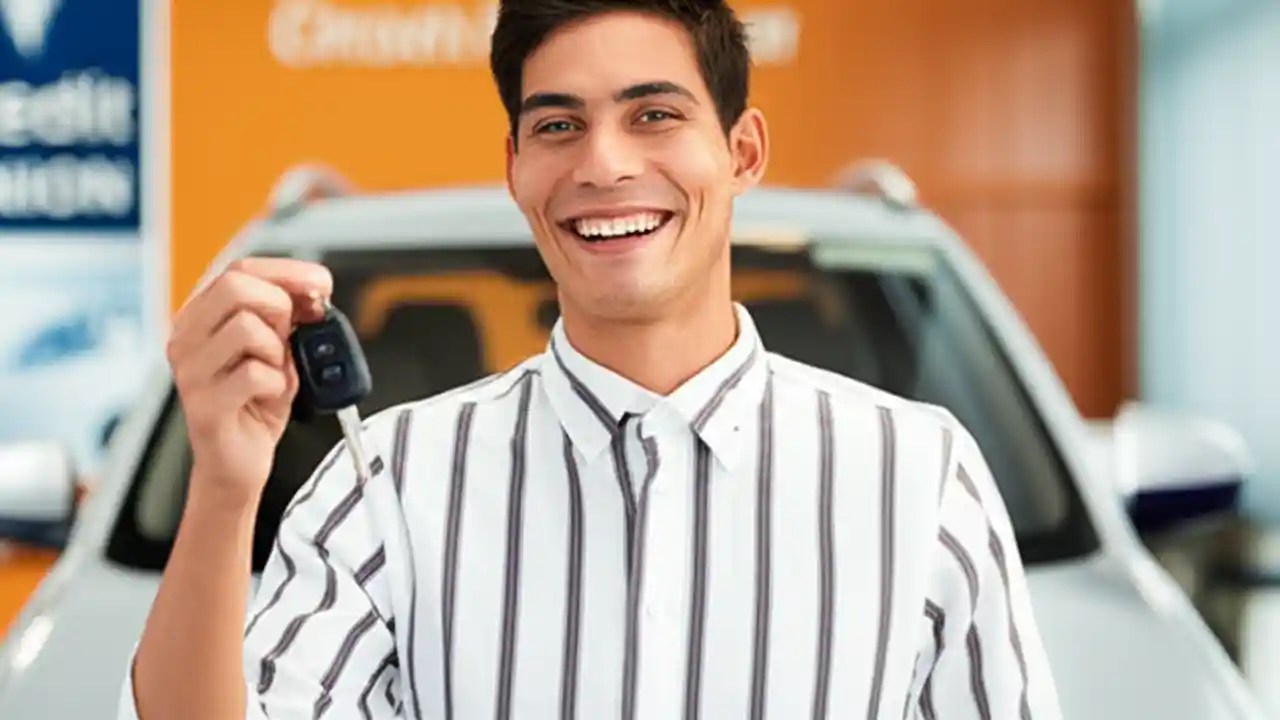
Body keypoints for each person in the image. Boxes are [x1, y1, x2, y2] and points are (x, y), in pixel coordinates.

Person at [122, 0, 1063, 717]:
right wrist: (223, 488)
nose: (603, 164)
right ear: (516, 165)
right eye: (558, 124)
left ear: (742, 151)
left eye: (653, 115)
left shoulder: (920, 477)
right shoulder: (384, 486)